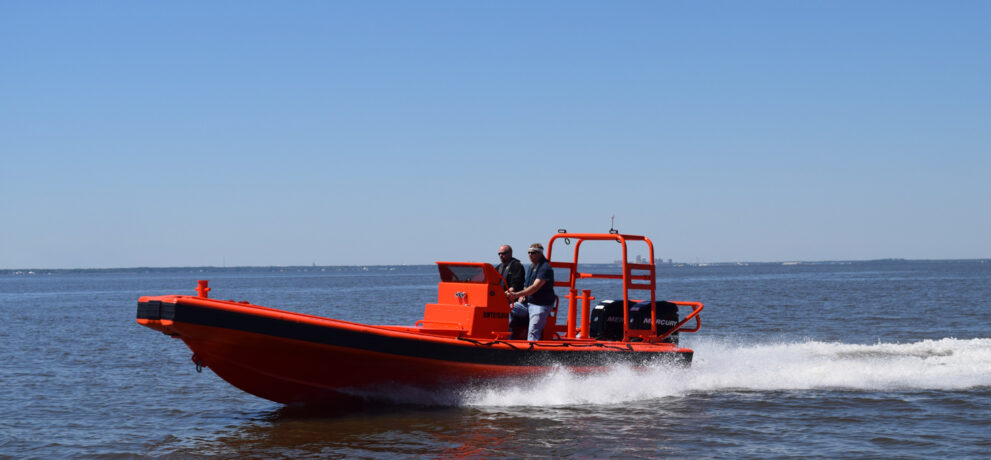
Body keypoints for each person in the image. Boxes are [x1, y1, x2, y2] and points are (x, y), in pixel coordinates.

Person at [507, 243, 556, 341]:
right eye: (529, 252)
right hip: (528, 304)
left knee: (533, 332)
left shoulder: (545, 268)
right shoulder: (531, 267)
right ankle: (509, 338)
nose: (530, 255)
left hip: (541, 305)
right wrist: (522, 296)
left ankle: (532, 352)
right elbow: (527, 284)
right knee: (507, 309)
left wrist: (517, 294)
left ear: (540, 254)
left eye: (533, 252)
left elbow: (535, 287)